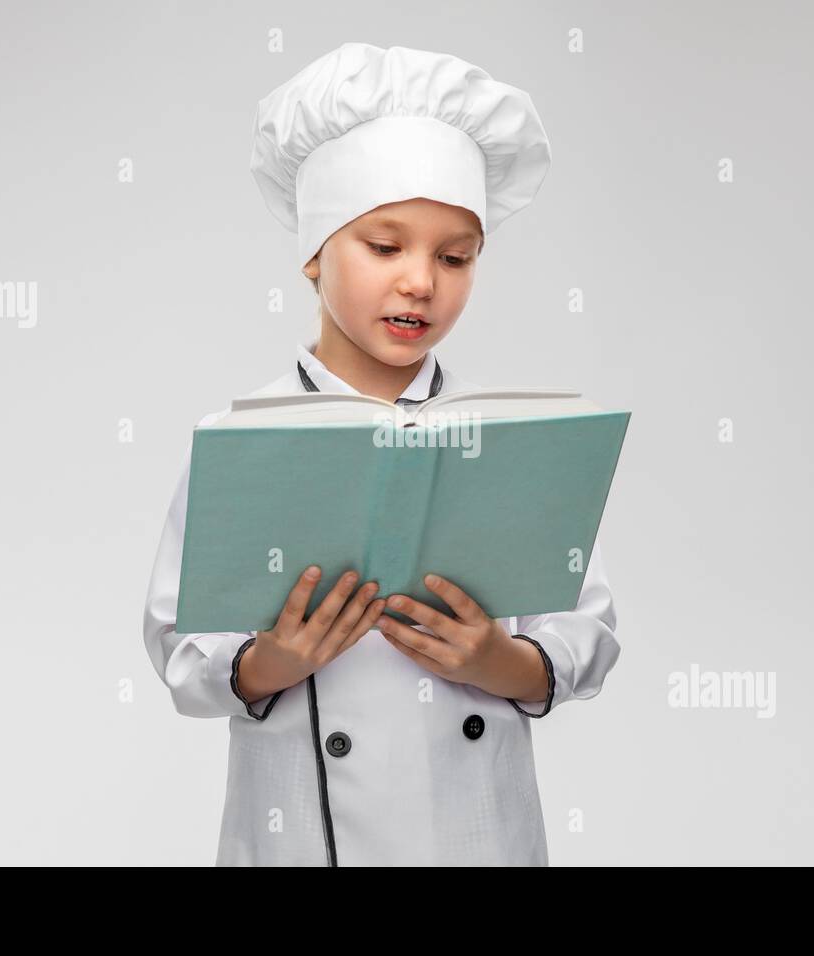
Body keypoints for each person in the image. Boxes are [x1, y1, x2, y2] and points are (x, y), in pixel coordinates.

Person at [143, 42, 620, 866]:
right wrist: (271, 662)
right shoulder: (246, 439)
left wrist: (500, 661)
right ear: (314, 251)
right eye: (385, 245)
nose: (420, 283)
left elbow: (590, 632)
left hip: (481, 837)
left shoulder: (510, 441)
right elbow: (179, 650)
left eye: (454, 256)